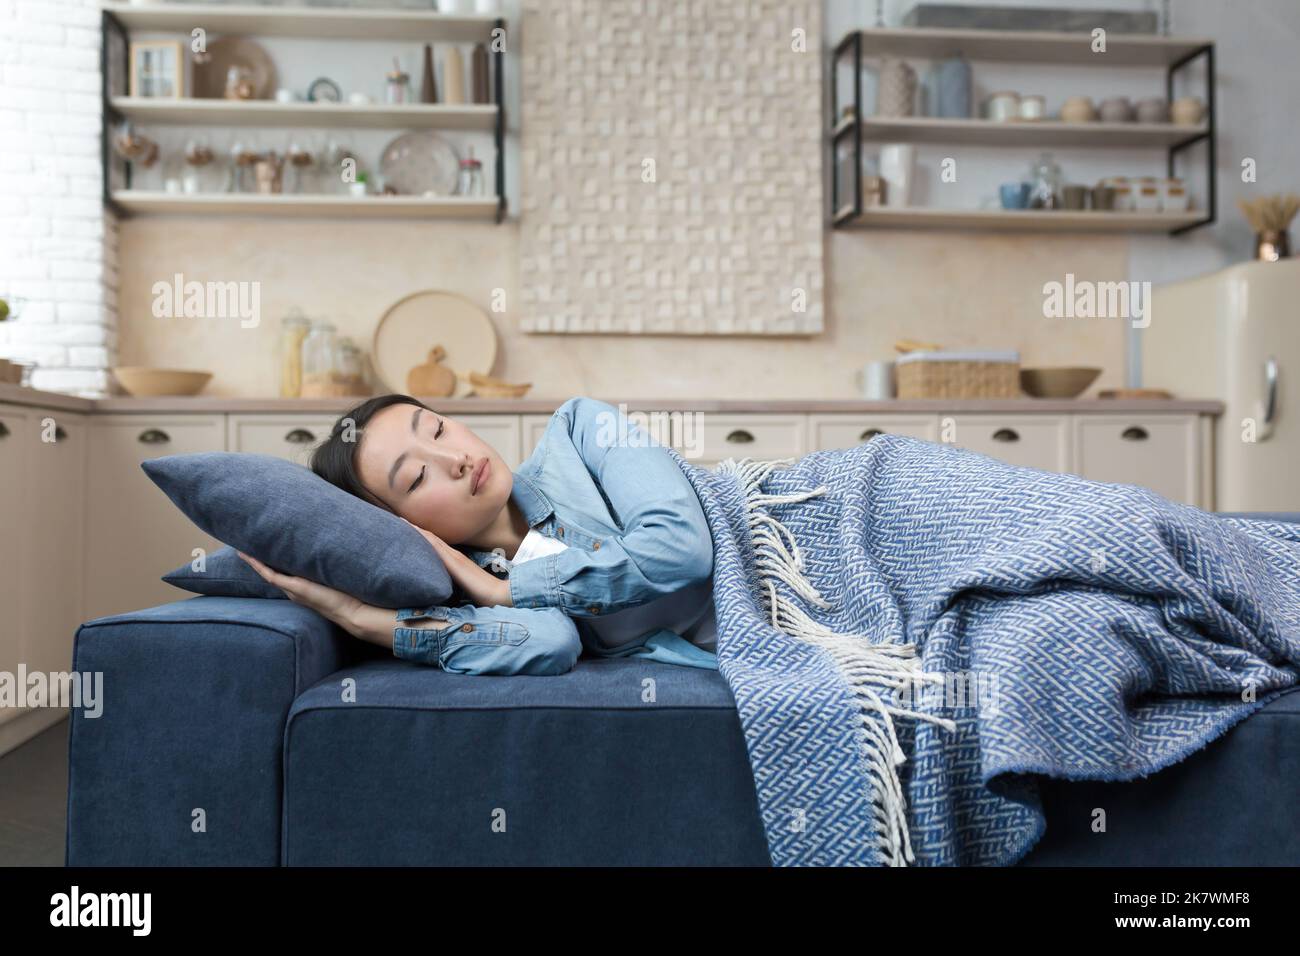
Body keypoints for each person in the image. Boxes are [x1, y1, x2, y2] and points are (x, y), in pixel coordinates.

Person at [238, 394, 720, 675]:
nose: (457, 459)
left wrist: (507, 589)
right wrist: (358, 617)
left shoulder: (580, 428)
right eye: (417, 478)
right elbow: (550, 643)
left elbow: (682, 548)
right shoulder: (470, 593)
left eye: (439, 430)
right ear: (400, 526)